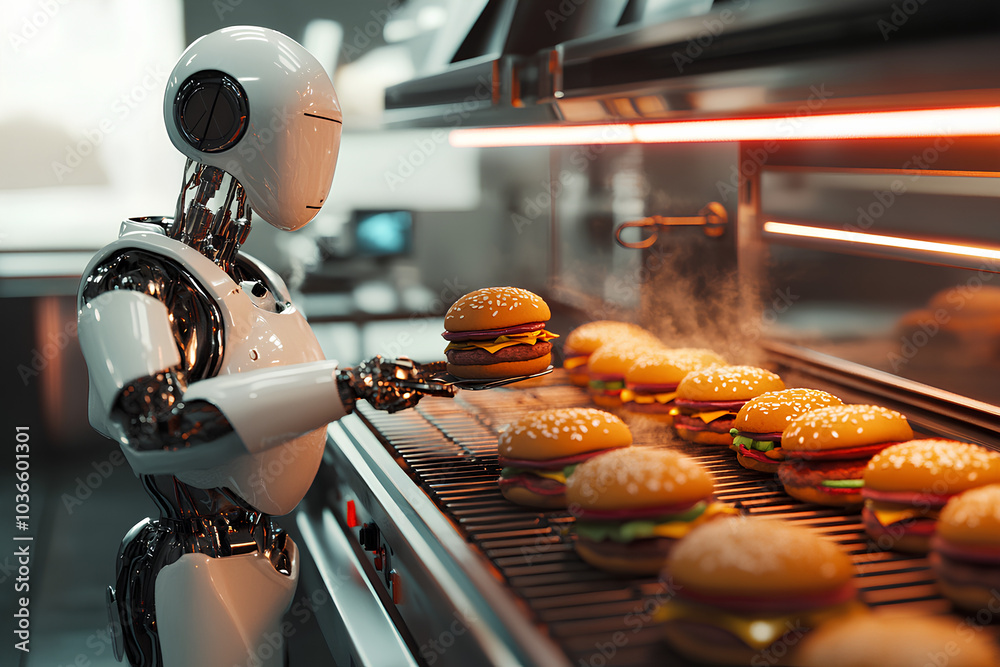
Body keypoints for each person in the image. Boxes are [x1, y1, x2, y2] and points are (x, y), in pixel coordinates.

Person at [76, 26, 452, 667]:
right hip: (195, 572)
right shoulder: (134, 277)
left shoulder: (250, 277)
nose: (318, 155)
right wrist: (346, 386)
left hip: (263, 555)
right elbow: (154, 426)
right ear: (220, 122)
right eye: (308, 128)